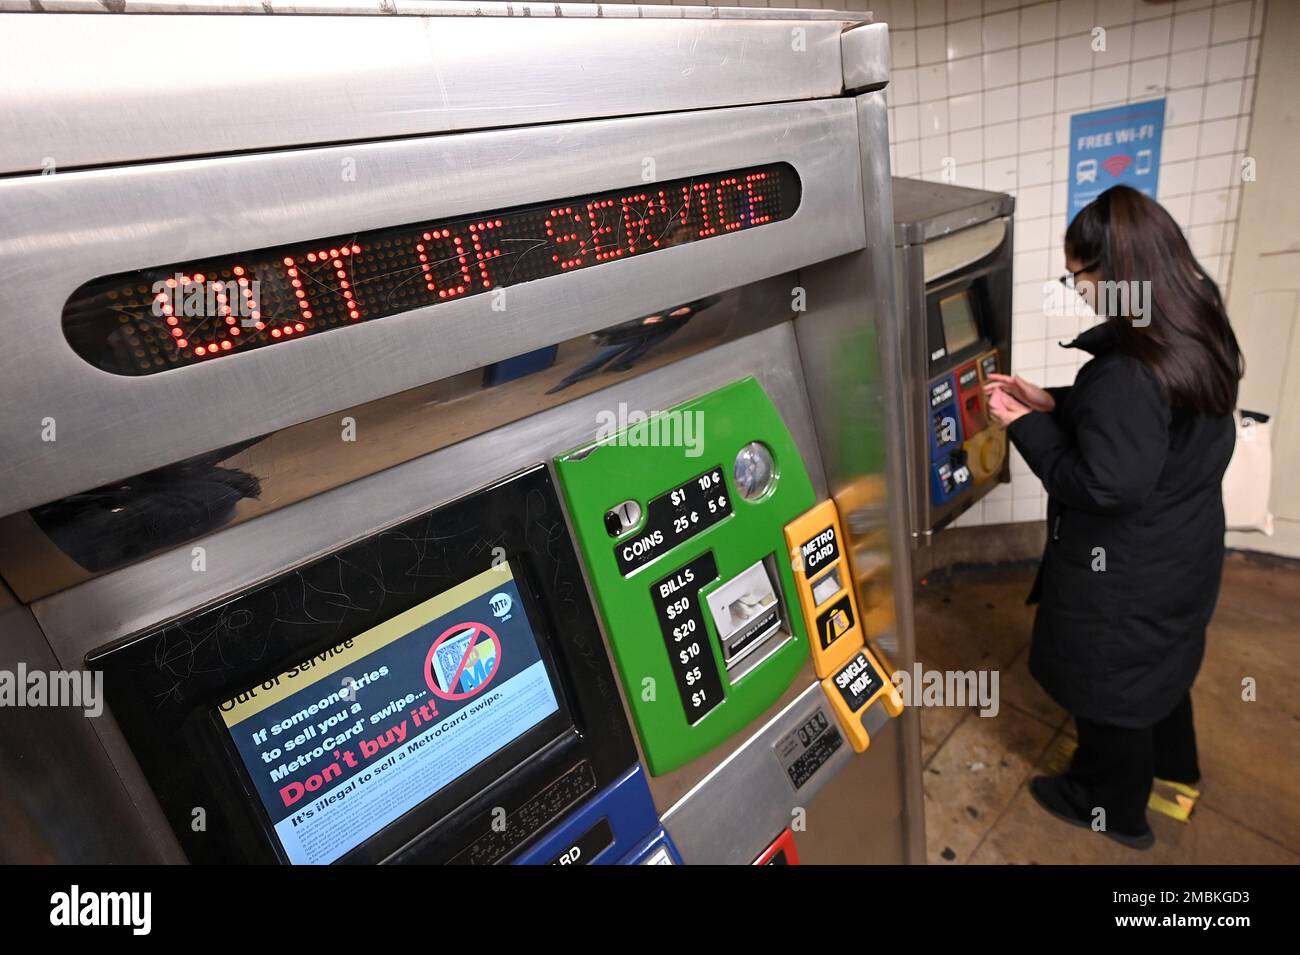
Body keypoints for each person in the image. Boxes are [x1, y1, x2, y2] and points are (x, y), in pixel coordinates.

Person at [984, 185, 1243, 849]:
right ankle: (1173, 778)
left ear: (1118, 273)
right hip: (1182, 552)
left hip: (1130, 572)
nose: (1076, 289)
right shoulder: (1195, 316)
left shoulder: (1130, 368)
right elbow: (1148, 423)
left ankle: (1110, 804)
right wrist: (1054, 401)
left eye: (1080, 275)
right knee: (1160, 670)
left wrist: (1021, 423)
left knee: (1113, 688)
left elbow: (1103, 481)